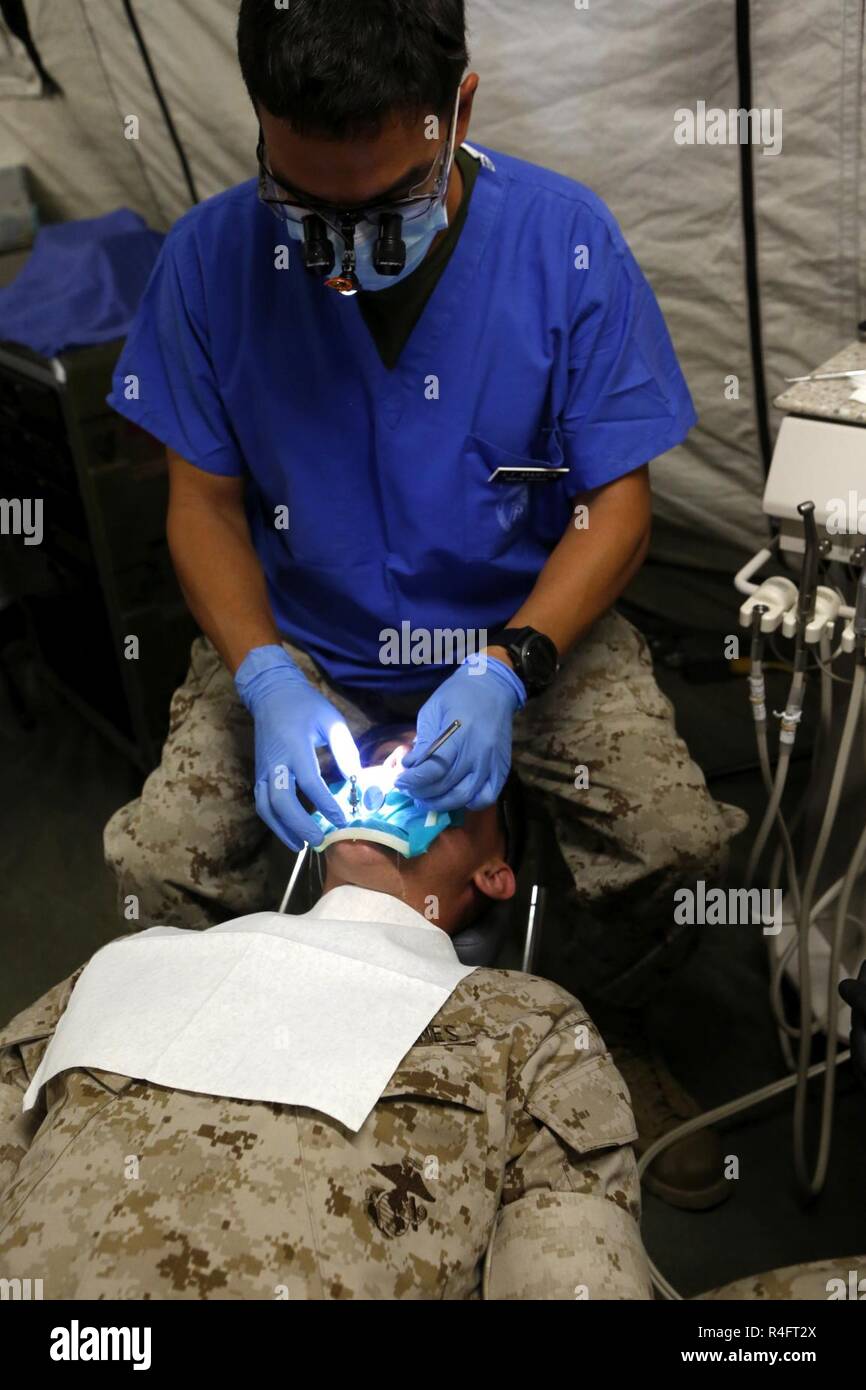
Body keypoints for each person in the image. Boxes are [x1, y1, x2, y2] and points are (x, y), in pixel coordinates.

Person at [103, 0, 745, 1207]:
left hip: (520, 625)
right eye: (307, 210)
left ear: (458, 112)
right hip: (303, 638)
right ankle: (208, 1074)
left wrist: (511, 666)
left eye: (383, 205)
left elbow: (617, 514)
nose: (338, 254)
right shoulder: (209, 260)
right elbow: (201, 508)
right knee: (156, 863)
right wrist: (264, 676)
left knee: (671, 842)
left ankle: (609, 1033)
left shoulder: (563, 244)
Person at [0, 734, 651, 1301]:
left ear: (495, 873)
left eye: (438, 773)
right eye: (377, 759)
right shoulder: (127, 962)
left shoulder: (530, 1024)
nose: (395, 767)